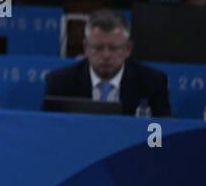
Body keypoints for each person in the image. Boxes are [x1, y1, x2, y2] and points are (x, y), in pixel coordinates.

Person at [43, 10, 171, 116]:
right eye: (98, 48)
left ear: (128, 49)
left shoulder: (153, 83)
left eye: (114, 48)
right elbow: (48, 133)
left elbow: (161, 137)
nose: (106, 55)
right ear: (86, 48)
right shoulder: (59, 83)